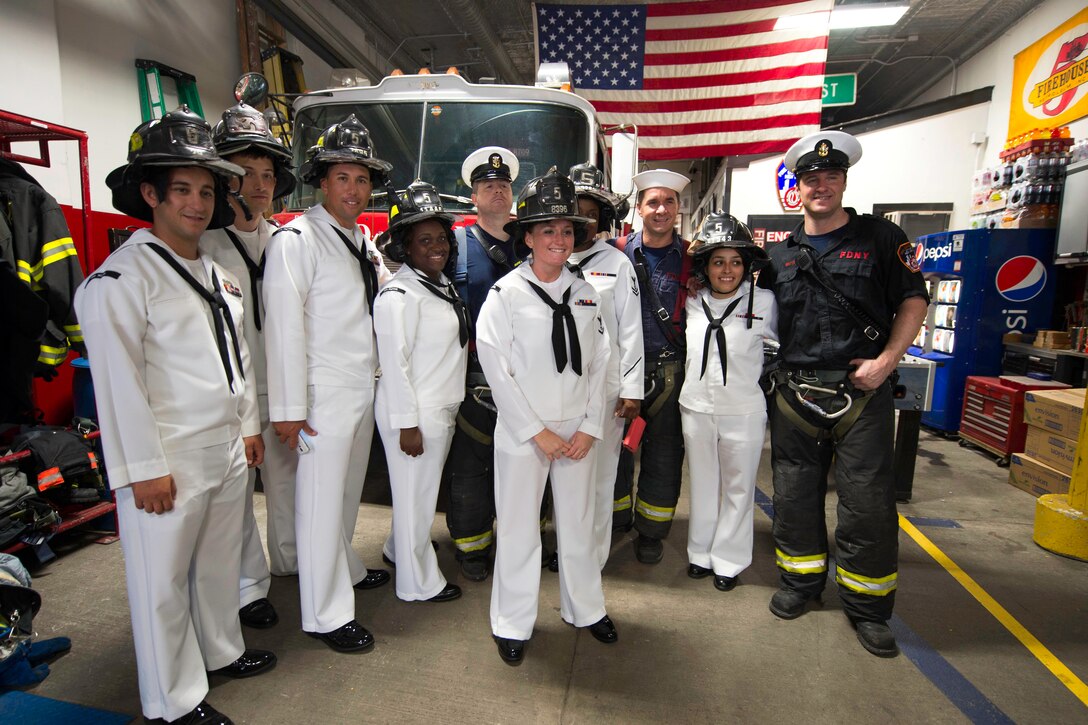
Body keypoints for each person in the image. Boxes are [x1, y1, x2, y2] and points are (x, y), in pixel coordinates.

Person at [75, 106, 275, 725]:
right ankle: (173, 698)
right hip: (167, 456)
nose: (196, 203)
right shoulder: (120, 279)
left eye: (206, 192)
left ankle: (220, 650)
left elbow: (237, 358)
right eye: (182, 189)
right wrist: (142, 469)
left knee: (216, 564)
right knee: (160, 582)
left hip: (224, 446)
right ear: (150, 194)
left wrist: (247, 426)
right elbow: (119, 385)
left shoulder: (215, 273)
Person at [758, 131, 928, 658]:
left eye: (831, 176)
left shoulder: (882, 238)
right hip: (795, 396)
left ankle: (868, 607)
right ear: (798, 187)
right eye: (812, 178)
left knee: (867, 503)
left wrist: (888, 361)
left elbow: (914, 300)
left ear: (844, 182)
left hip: (863, 394)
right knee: (793, 494)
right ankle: (801, 582)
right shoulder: (779, 256)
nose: (821, 186)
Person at [262, 114, 393, 654]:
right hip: (321, 394)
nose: (354, 189)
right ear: (321, 181)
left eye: (362, 179)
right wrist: (289, 409)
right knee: (318, 504)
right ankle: (324, 613)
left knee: (344, 496)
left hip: (361, 386)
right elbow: (283, 326)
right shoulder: (297, 239)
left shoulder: (362, 239)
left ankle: (346, 567)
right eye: (343, 177)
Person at [476, 168, 615, 665]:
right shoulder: (505, 295)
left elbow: (601, 364)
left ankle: (586, 608)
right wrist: (537, 432)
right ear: (529, 237)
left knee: (579, 524)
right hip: (524, 434)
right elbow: (496, 370)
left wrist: (591, 426)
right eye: (548, 229)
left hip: (577, 431)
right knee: (518, 528)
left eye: (567, 230)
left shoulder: (587, 293)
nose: (559, 239)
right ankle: (512, 621)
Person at [202, 102, 297, 631]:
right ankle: (248, 587)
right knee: (237, 495)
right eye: (245, 172)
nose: (259, 185)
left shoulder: (285, 241)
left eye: (267, 174)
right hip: (231, 397)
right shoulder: (204, 247)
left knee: (289, 483)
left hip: (281, 390)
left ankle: (291, 559)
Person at [373, 180, 467, 603]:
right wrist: (407, 425)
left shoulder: (438, 284)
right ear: (405, 248)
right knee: (417, 500)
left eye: (441, 238)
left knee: (415, 495)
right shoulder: (398, 295)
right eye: (424, 240)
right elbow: (395, 366)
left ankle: (399, 549)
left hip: (437, 406)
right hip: (416, 412)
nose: (436, 247)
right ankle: (418, 584)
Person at [679, 212, 778, 592]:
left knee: (739, 488)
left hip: (744, 410)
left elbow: (779, 345)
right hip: (696, 407)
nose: (727, 270)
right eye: (718, 261)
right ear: (705, 265)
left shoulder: (764, 302)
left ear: (746, 265)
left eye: (736, 262)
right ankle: (700, 553)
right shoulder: (691, 301)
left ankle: (729, 559)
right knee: (703, 484)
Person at [443, 146, 520, 581]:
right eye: (488, 186)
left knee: (523, 465)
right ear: (473, 197)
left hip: (526, 376)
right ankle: (472, 548)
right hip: (473, 378)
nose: (497, 191)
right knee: (471, 467)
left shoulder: (532, 242)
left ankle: (520, 543)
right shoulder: (454, 245)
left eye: (504, 184)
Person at [615, 169, 692, 565]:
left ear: (678, 208)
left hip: (668, 374)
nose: (661, 210)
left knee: (663, 458)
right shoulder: (614, 252)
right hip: (619, 375)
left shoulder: (694, 258)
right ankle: (614, 521)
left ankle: (651, 532)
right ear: (640, 208)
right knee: (613, 455)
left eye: (669, 202)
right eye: (653, 202)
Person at [568, 163, 643, 569]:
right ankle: (568, 548)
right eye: (575, 210)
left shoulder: (617, 264)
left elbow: (631, 330)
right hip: (558, 391)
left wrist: (632, 390)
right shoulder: (546, 259)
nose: (582, 220)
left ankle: (591, 557)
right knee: (565, 476)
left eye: (591, 213)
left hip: (606, 391)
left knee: (600, 476)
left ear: (602, 219)